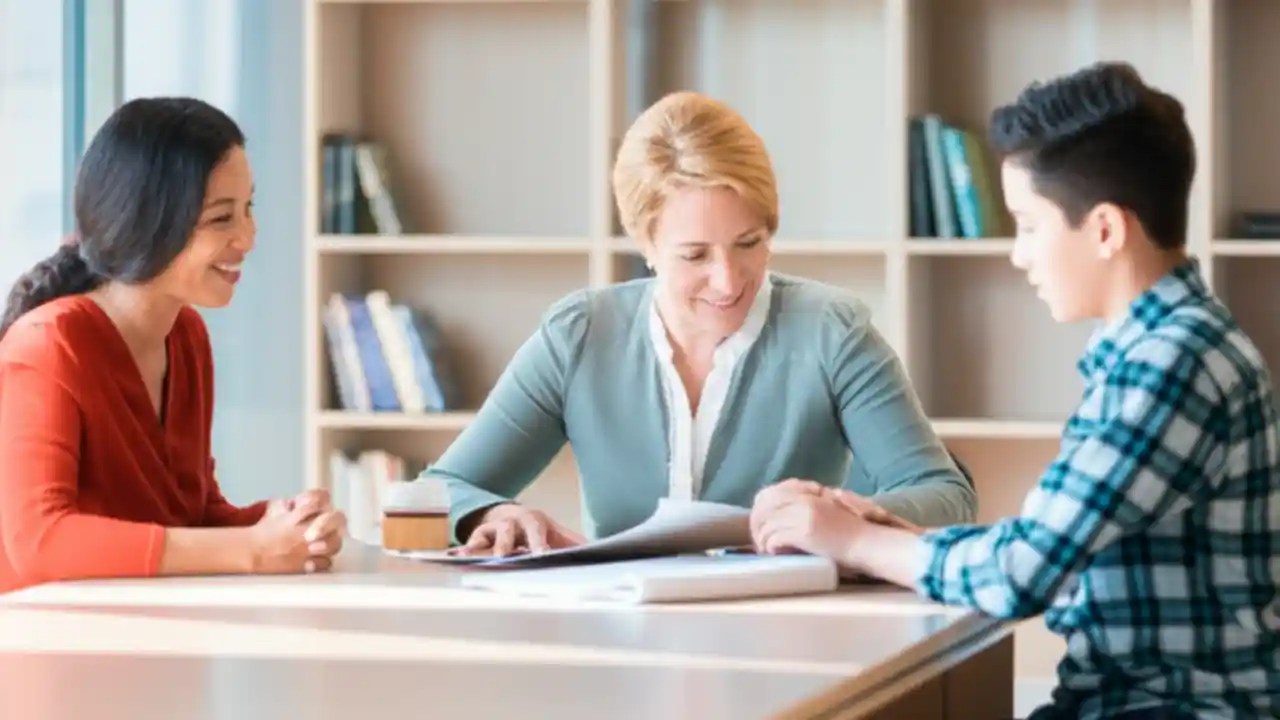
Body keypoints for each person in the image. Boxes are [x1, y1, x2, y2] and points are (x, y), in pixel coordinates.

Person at [751, 62, 1280, 719]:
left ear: (1106, 229)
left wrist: (857, 543)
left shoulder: (1170, 364)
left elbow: (1023, 572)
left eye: (1029, 225)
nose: (1018, 254)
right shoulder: (1164, 346)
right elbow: (1047, 539)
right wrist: (898, 541)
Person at [425, 90, 976, 557]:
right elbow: (441, 489)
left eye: (749, 244)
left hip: (789, 628)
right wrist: (491, 514)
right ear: (646, 245)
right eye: (694, 255)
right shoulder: (580, 336)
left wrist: (838, 516)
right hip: (626, 632)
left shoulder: (831, 331)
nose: (728, 280)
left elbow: (942, 493)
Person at [0, 97, 346, 594]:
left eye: (248, 209)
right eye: (222, 218)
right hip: (44, 646)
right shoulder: (48, 345)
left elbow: (189, 516)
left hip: (136, 635)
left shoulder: (186, 337)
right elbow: (40, 541)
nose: (248, 237)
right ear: (148, 222)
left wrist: (282, 525)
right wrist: (252, 549)